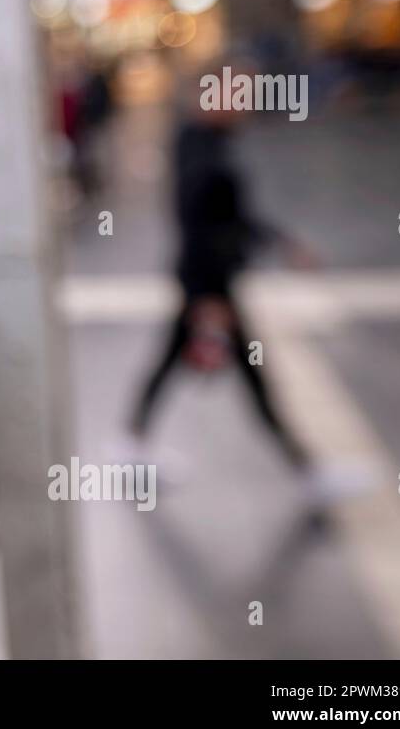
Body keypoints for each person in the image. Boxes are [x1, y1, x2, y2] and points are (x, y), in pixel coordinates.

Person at [129, 58, 314, 474]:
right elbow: (196, 224)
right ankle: (303, 464)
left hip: (210, 279)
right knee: (250, 371)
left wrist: (283, 244)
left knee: (187, 359)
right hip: (208, 280)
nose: (244, 103)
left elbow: (234, 215)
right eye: (238, 93)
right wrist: (205, 295)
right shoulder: (200, 150)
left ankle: (133, 439)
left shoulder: (211, 141)